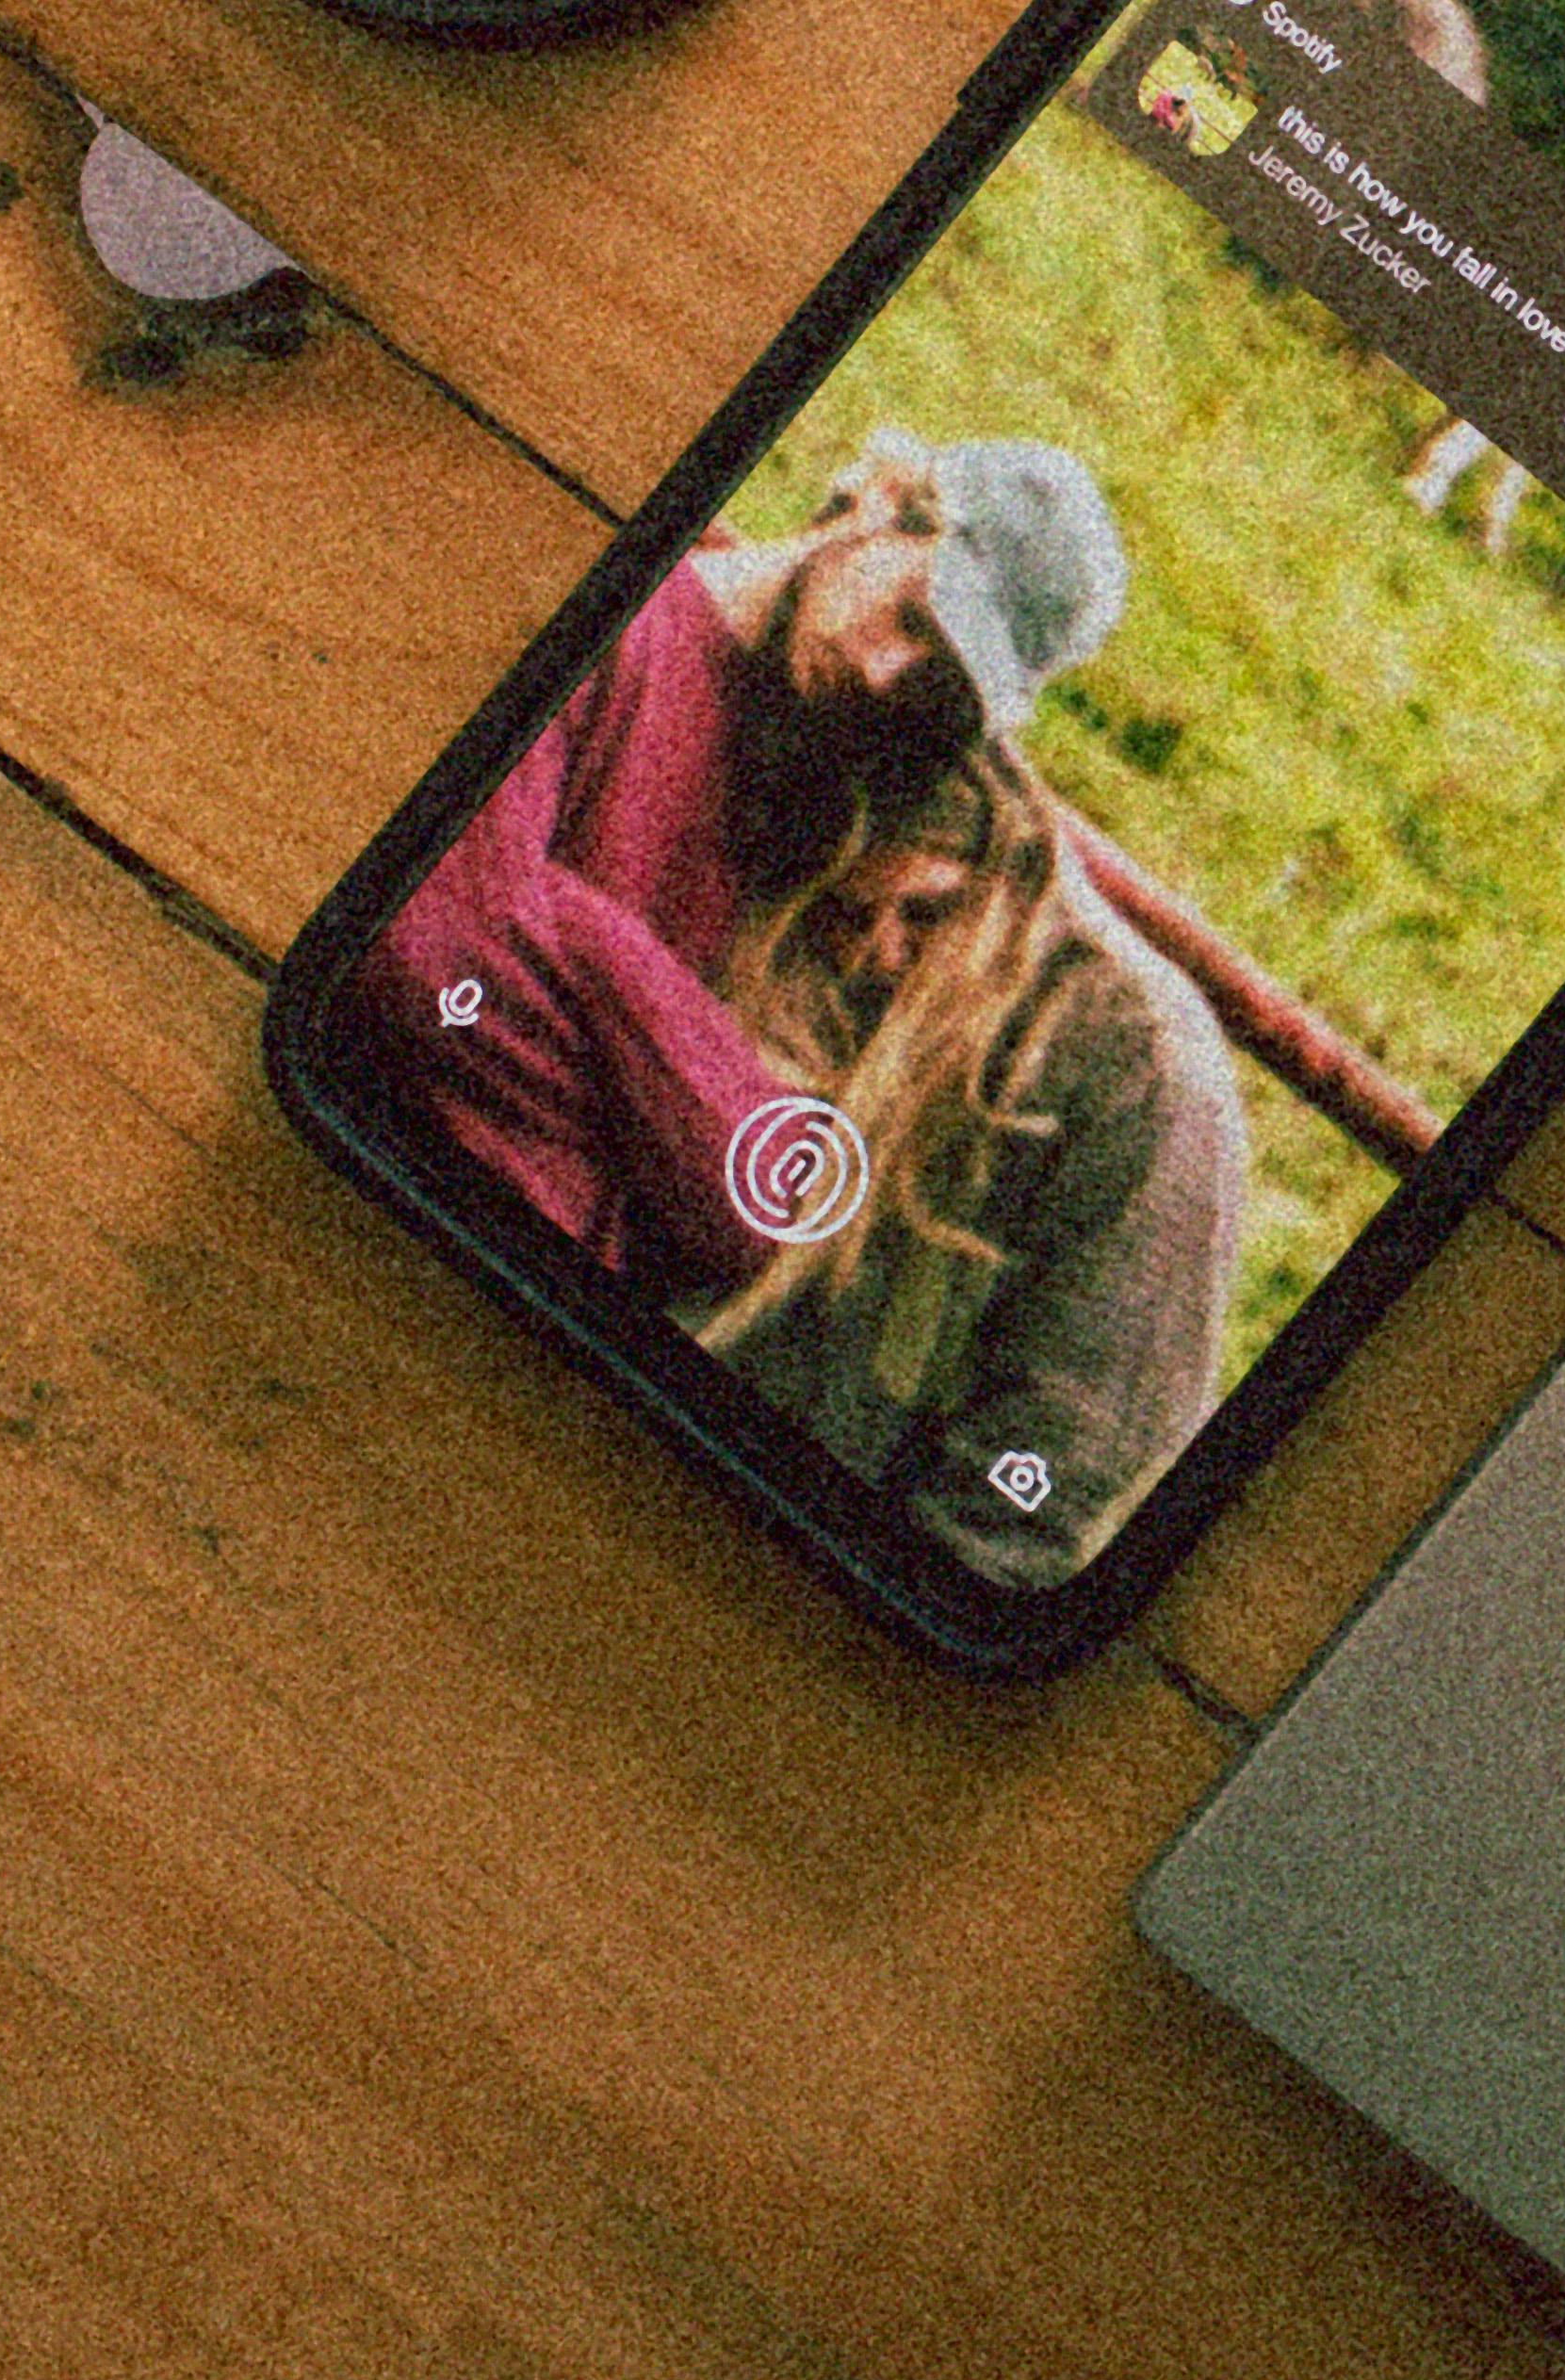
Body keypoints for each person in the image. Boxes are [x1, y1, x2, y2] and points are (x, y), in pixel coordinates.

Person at [357, 427, 1130, 1297]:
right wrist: (617, 1176)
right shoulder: (622, 604)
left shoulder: (829, 790)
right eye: (913, 616)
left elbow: (771, 1212)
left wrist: (584, 935)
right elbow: (433, 957)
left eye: (937, 676)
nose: (884, 672)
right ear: (885, 503)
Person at [696, 735, 1247, 1583]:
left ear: (1004, 877)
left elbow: (1064, 1461)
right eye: (844, 912)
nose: (871, 955)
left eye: (921, 913)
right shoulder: (794, 937)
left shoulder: (1143, 1074)